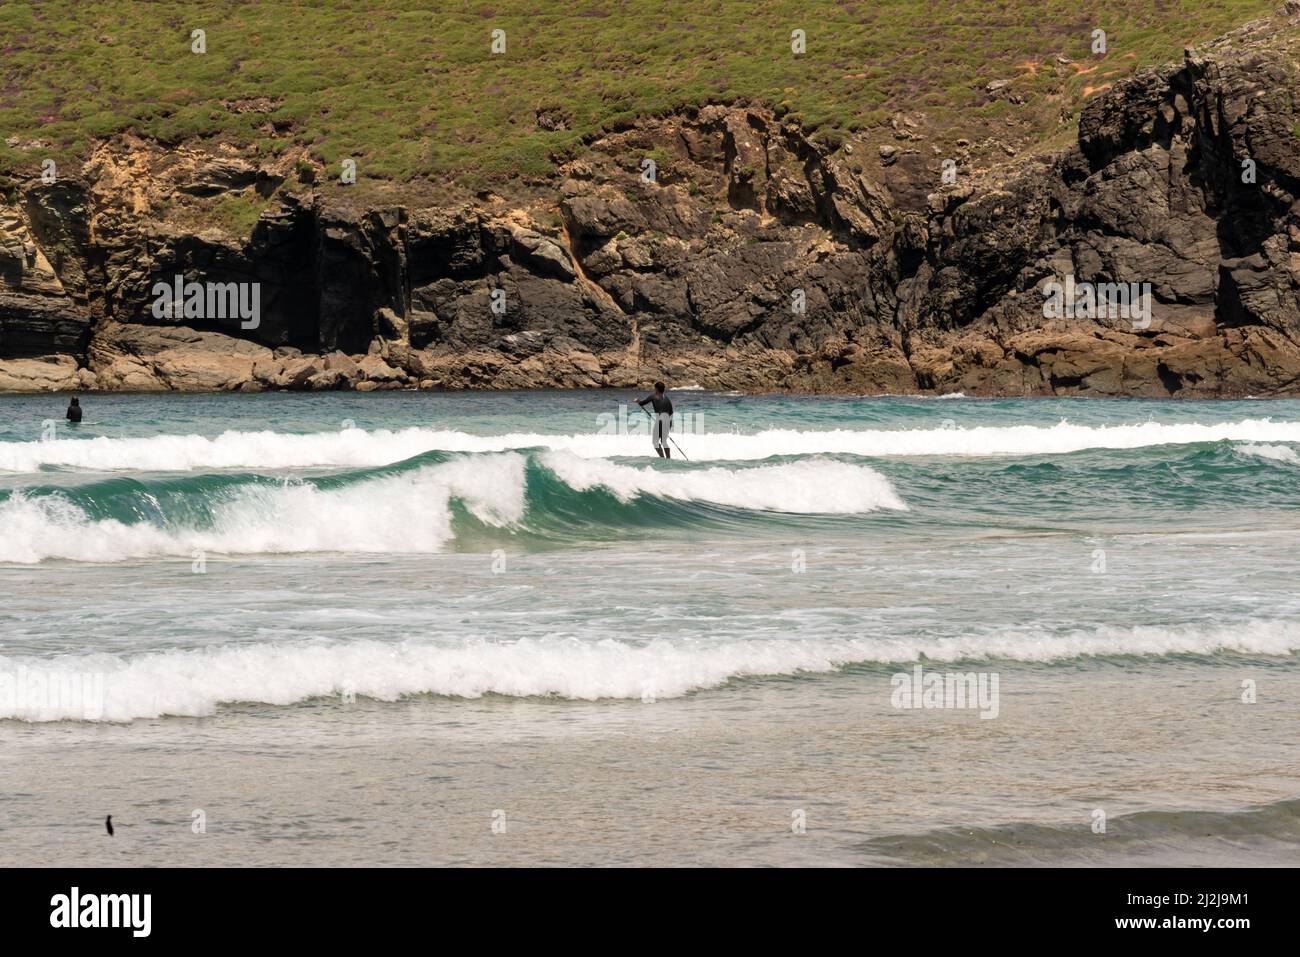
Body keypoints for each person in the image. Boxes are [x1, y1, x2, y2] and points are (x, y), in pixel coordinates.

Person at [636, 381, 673, 458]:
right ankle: (668, 459)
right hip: (668, 421)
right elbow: (671, 412)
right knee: (664, 441)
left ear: (656, 389)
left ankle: (662, 459)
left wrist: (637, 400)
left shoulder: (653, 396)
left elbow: (642, 403)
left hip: (660, 422)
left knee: (655, 442)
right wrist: (669, 424)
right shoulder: (667, 398)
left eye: (655, 388)